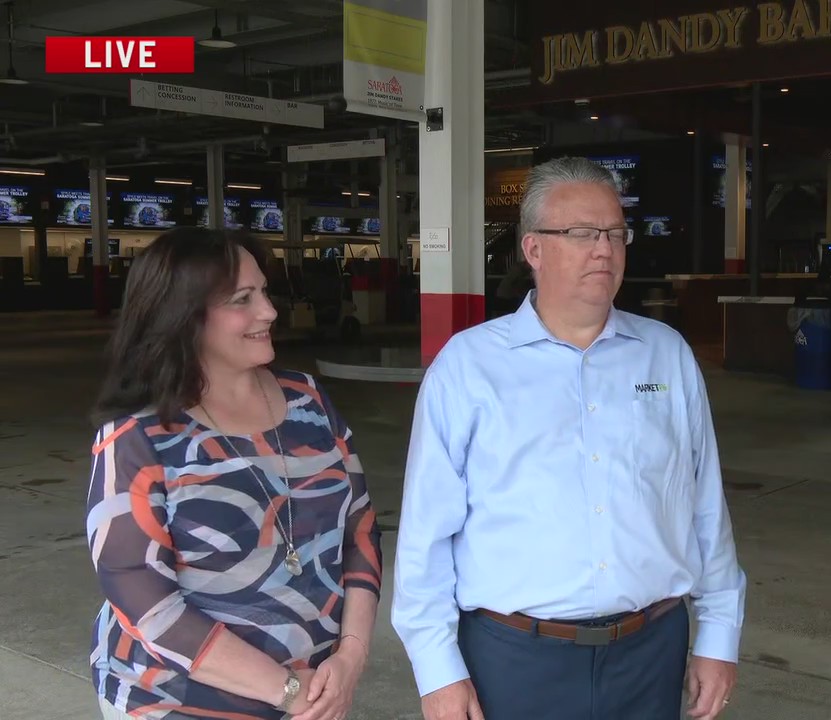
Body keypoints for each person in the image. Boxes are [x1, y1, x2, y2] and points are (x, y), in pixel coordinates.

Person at [392, 156, 747, 720]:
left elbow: (705, 509)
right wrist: (438, 672)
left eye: (613, 233)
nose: (603, 249)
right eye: (581, 233)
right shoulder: (468, 368)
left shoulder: (668, 355)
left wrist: (718, 635)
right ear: (533, 250)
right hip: (513, 659)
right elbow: (426, 536)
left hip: (650, 654)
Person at [86, 227, 383, 720]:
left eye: (264, 292)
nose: (268, 311)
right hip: (178, 701)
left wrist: (351, 656)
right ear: (183, 316)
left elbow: (361, 531)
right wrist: (286, 689)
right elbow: (142, 598)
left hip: (316, 695)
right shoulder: (137, 440)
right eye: (242, 299)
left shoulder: (308, 401)